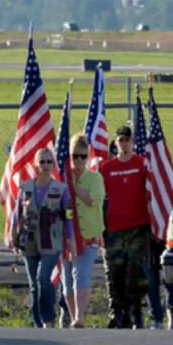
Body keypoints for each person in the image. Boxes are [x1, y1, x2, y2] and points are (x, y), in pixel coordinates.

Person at [12, 147, 75, 328]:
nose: (46, 165)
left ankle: (48, 318)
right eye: (42, 162)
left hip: (51, 240)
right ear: (35, 164)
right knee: (33, 284)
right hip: (29, 239)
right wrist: (13, 234)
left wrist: (69, 237)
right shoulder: (25, 188)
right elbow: (17, 214)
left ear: (53, 164)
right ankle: (37, 321)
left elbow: (68, 214)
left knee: (43, 277)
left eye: (49, 161)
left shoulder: (61, 188)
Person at [99, 124, 150, 329]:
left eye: (128, 140)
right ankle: (118, 312)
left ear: (133, 143)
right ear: (115, 143)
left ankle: (136, 310)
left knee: (135, 271)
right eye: (121, 140)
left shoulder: (142, 164)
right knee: (115, 271)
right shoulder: (107, 168)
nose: (124, 144)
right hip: (114, 228)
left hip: (138, 226)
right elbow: (101, 199)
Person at [62, 133, 104, 328]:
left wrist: (73, 186)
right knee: (67, 279)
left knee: (82, 273)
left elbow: (93, 200)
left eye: (82, 156)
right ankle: (72, 317)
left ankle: (80, 316)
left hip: (88, 235)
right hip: (66, 235)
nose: (78, 160)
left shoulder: (94, 178)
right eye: (74, 156)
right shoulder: (62, 177)